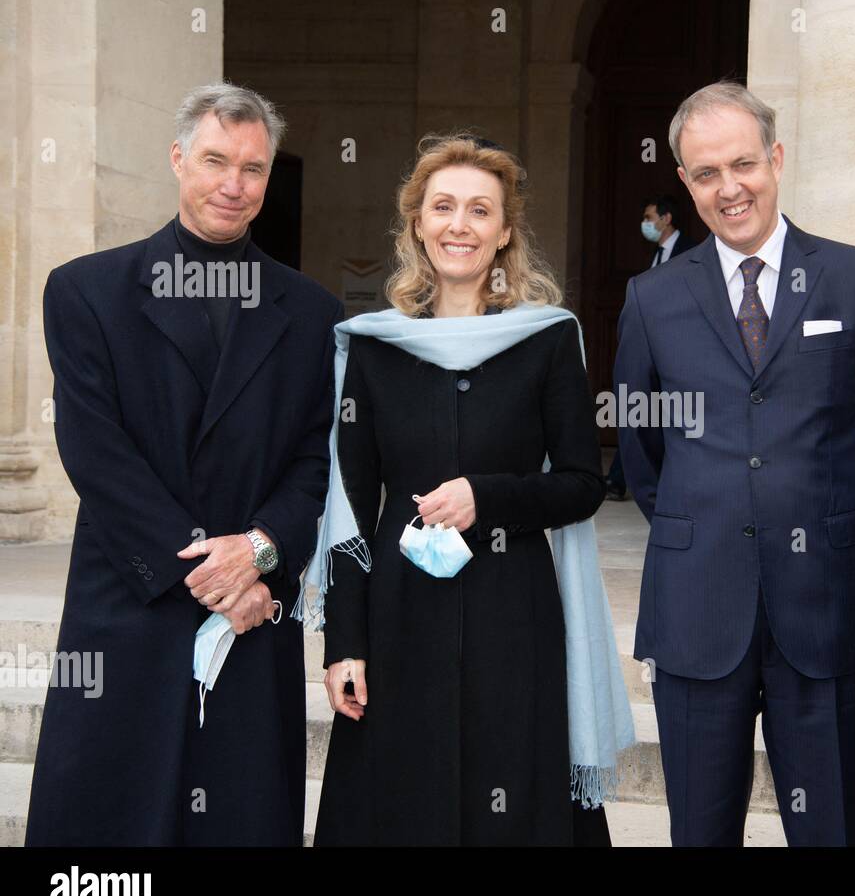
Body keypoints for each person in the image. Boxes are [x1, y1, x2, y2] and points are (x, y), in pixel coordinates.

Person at [26, 83, 342, 845]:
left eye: (254, 168)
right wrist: (209, 573)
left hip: (254, 610)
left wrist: (259, 553)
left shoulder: (312, 313)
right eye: (214, 161)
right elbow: (95, 453)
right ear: (176, 160)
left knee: (237, 816)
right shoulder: (86, 291)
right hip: (131, 603)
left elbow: (316, 461)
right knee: (109, 830)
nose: (233, 185)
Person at [309, 133, 633, 846]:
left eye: (480, 210)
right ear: (418, 224)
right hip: (399, 613)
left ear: (505, 232)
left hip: (512, 610)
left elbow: (583, 484)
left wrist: (487, 498)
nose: (461, 224)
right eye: (444, 207)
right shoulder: (370, 346)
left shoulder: (547, 340)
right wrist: (344, 643)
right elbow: (351, 508)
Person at [614, 82, 855, 846]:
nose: (728, 187)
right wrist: (710, 523)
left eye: (742, 164)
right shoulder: (651, 300)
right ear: (684, 182)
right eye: (705, 173)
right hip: (696, 604)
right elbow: (644, 452)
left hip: (830, 603)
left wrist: (820, 522)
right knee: (701, 832)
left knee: (830, 832)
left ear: (775, 160)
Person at [607, 194, 699, 501]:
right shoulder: (655, 255)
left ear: (666, 218)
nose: (645, 224)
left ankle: (630, 482)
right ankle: (621, 480)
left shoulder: (692, 252)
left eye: (649, 218)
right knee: (636, 407)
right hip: (652, 347)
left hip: (681, 348)